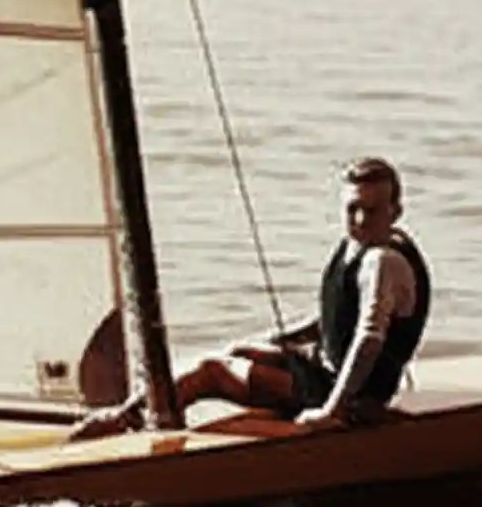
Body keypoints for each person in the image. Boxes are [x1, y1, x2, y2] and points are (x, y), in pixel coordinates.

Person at [71, 157, 431, 439]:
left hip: (352, 394)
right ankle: (144, 416)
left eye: (372, 209)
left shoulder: (383, 261)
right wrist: (284, 341)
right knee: (239, 351)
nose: (360, 219)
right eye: (352, 208)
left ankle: (127, 421)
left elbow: (368, 340)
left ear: (396, 212)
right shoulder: (356, 246)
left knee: (213, 373)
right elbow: (335, 321)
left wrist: (332, 411)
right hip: (325, 372)